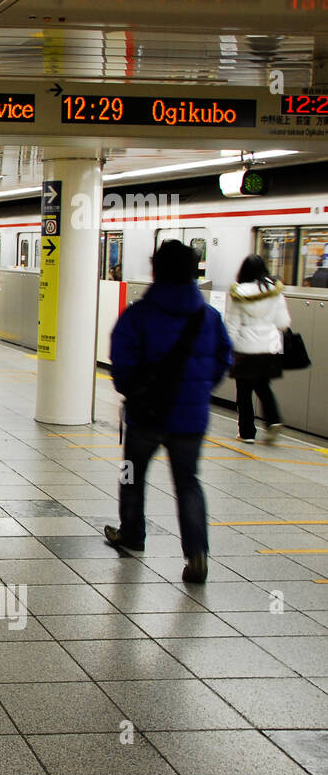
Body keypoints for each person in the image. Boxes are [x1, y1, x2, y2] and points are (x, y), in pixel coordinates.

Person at [105, 240, 232, 585]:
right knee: (188, 483)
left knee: (132, 474)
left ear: (155, 269)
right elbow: (224, 359)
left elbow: (122, 361)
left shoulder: (139, 313)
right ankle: (197, 554)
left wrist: (132, 391)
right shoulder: (209, 317)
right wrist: (199, 390)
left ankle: (131, 533)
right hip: (190, 420)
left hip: (146, 415)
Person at [226, 255, 291, 444]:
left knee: (244, 391)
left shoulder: (238, 293)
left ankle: (246, 432)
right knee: (263, 386)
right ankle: (274, 420)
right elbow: (283, 323)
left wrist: (228, 347)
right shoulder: (275, 292)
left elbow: (232, 325)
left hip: (245, 348)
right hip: (270, 347)